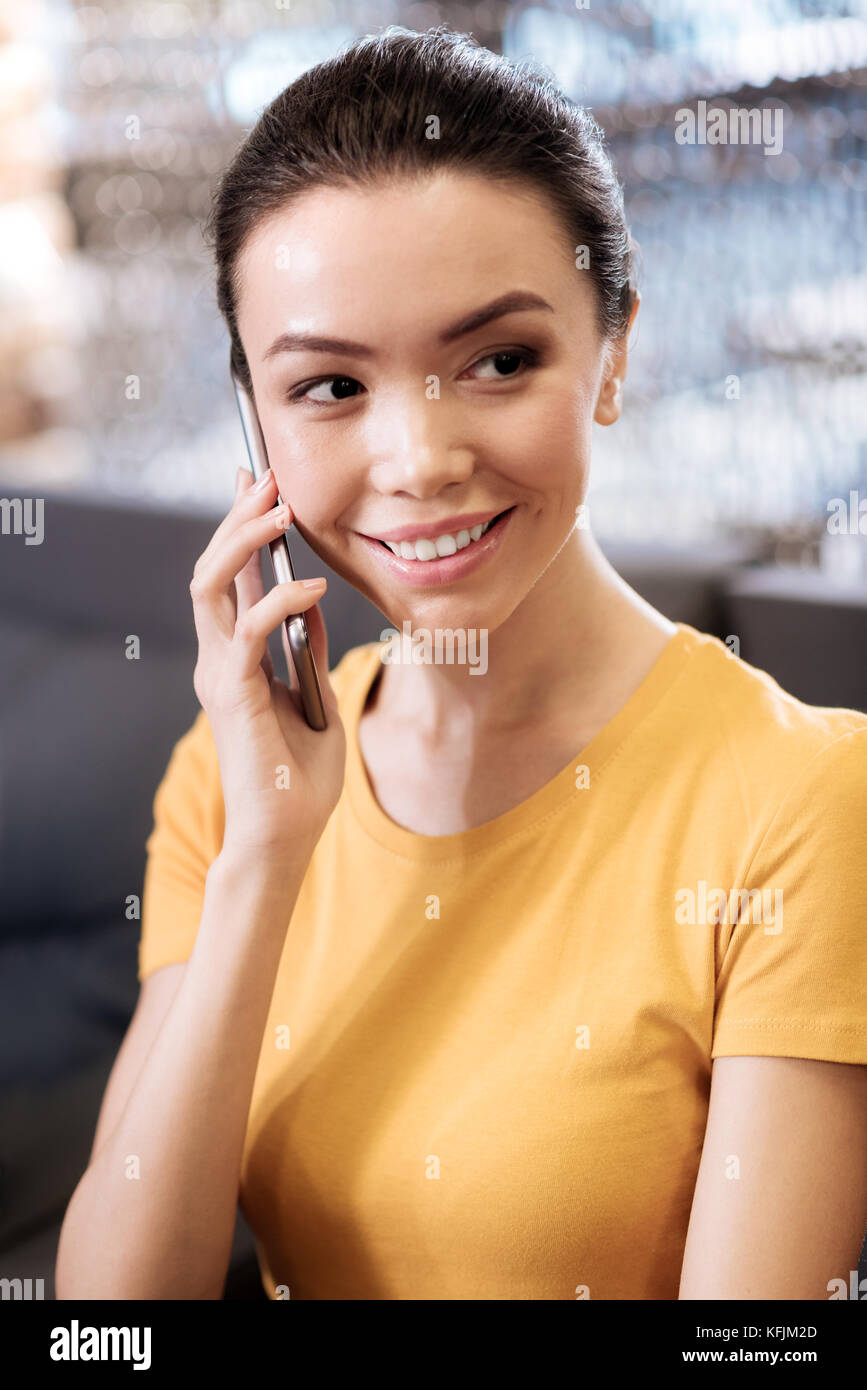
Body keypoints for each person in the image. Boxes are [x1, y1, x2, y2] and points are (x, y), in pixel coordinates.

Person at [56, 25, 867, 1301]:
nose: (421, 459)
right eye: (328, 386)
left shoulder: (802, 801)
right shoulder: (228, 788)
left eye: (500, 360)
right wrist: (268, 857)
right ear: (252, 426)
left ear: (612, 352)